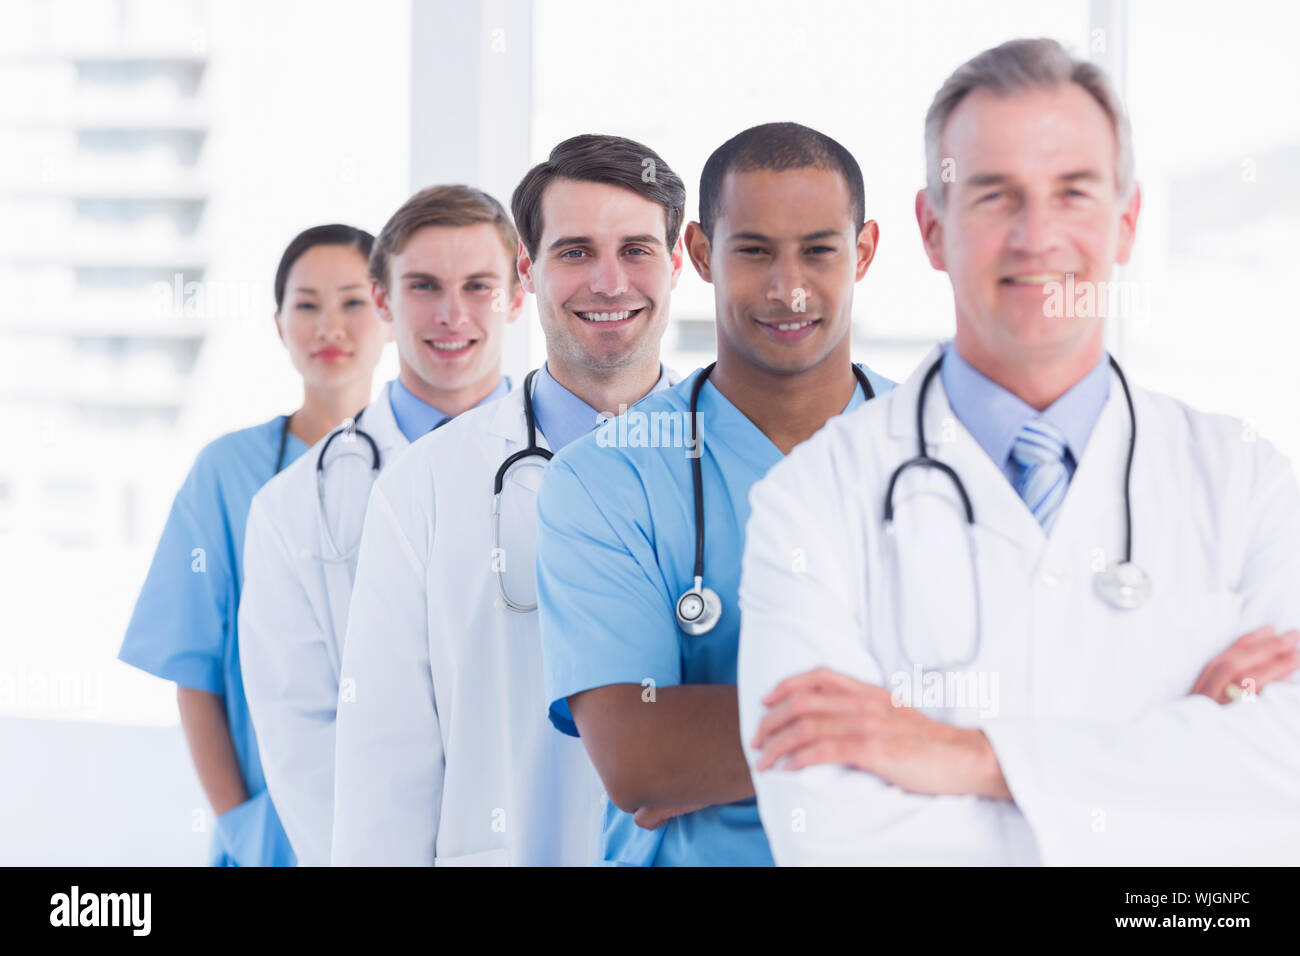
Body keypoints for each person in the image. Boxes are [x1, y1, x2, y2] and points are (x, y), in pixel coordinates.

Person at [738, 38, 1300, 866]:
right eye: (996, 196)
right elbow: (833, 838)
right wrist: (1176, 762)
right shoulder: (811, 502)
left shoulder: (1248, 483)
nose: (1038, 237)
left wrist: (965, 757)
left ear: (1127, 222)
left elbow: (1282, 797)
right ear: (934, 229)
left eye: (1073, 193)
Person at [535, 122, 896, 866]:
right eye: (754, 250)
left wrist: (723, 734)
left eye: (819, 250)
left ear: (863, 251)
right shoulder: (605, 479)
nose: (787, 287)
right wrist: (917, 719)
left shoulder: (935, 454)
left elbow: (1032, 710)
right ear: (699, 253)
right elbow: (642, 762)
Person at [329, 135, 685, 866]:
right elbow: (383, 776)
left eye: (638, 250)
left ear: (678, 265)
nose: (610, 282)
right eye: (576, 251)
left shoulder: (737, 472)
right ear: (530, 270)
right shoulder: (423, 488)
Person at [239, 185, 521, 867]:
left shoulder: (581, 473)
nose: (452, 315)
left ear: (518, 294)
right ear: (385, 302)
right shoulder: (293, 509)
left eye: (478, 285)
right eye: (423, 286)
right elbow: (303, 742)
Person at [118, 224, 386, 866]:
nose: (330, 326)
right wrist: (242, 823)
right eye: (306, 304)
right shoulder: (227, 471)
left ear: (390, 311)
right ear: (277, 324)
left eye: (352, 301)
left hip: (402, 820)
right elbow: (196, 669)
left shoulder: (427, 467)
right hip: (271, 831)